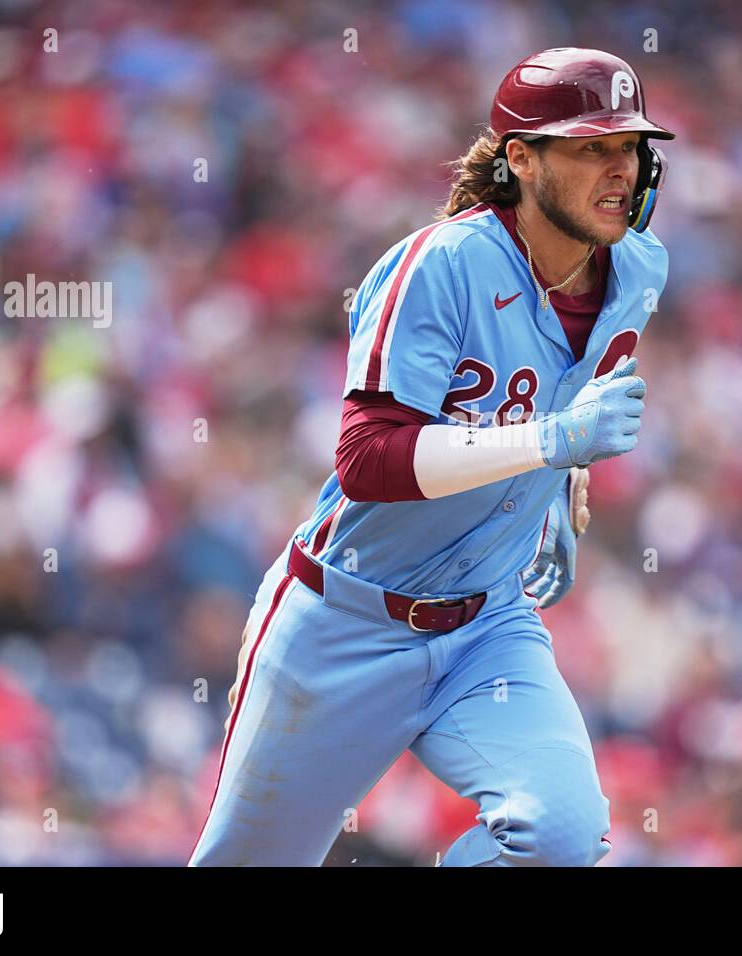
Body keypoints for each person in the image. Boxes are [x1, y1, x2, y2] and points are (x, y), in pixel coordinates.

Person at [189, 47, 673, 866]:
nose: (620, 168)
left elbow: (563, 391)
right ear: (521, 159)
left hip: (489, 623)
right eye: (592, 147)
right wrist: (550, 444)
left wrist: (558, 480)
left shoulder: (638, 268)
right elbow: (367, 456)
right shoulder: (442, 264)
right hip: (345, 620)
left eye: (628, 146)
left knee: (561, 838)